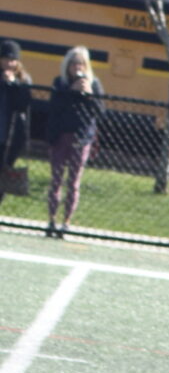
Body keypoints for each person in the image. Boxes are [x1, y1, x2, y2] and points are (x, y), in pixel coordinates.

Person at [44, 47, 101, 236]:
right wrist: (70, 91)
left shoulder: (94, 84)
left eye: (81, 63)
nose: (77, 67)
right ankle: (51, 220)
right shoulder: (59, 83)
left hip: (81, 138)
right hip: (60, 136)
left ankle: (66, 222)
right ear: (67, 65)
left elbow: (101, 112)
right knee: (56, 180)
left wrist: (89, 94)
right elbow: (54, 107)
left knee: (74, 182)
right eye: (74, 63)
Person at [0, 41, 32, 203]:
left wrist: (12, 84)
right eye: (5, 58)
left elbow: (23, 105)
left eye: (13, 59)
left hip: (11, 137)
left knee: (4, 174)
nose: (9, 63)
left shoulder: (24, 80)